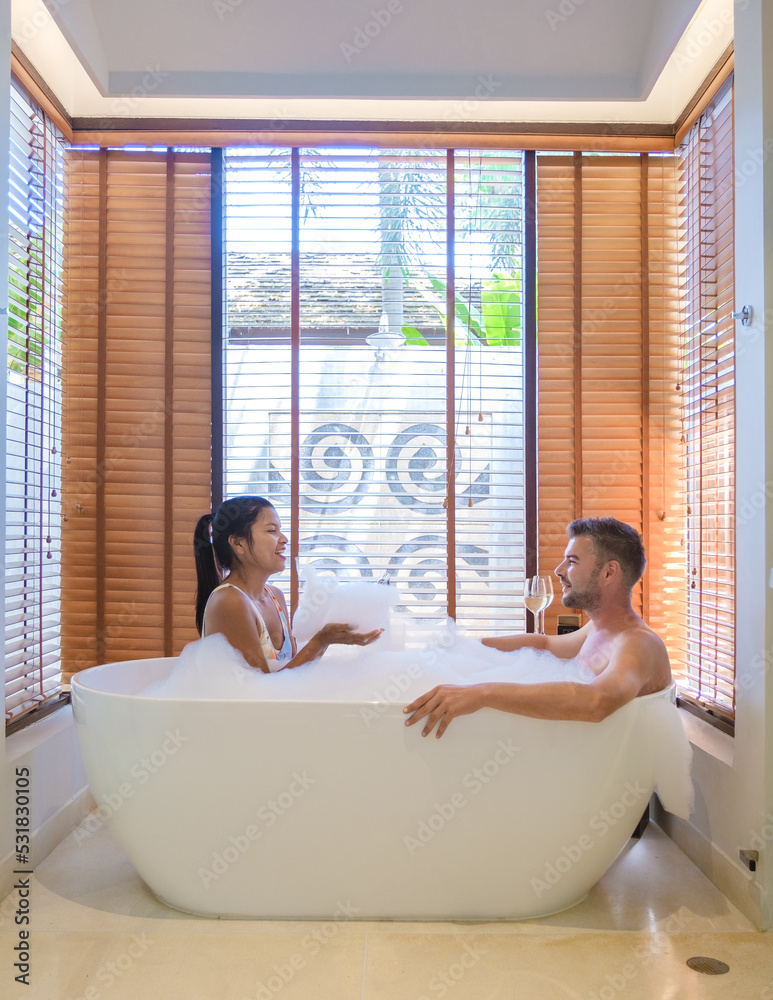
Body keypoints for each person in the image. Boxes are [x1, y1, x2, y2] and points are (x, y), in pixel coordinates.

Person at [404, 516, 672, 737]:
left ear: (609, 572)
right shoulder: (599, 629)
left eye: (572, 561)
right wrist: (467, 646)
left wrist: (482, 693)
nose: (559, 569)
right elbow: (544, 644)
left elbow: (597, 702)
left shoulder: (637, 642)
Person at [193, 496, 382, 672]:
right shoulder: (229, 601)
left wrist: (327, 638)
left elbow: (293, 675)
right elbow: (256, 692)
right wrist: (321, 639)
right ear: (238, 543)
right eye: (271, 530)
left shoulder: (275, 596)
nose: (284, 539)